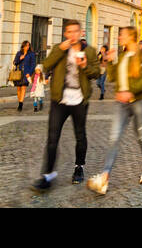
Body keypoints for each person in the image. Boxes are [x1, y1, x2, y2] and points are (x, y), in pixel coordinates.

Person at [33, 22, 101, 192]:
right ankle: (47, 175)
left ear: (80, 33)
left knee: (80, 135)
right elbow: (46, 65)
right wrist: (59, 50)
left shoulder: (90, 51)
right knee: (52, 138)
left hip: (79, 100)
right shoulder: (59, 49)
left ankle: (79, 167)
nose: (72, 35)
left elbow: (97, 73)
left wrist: (85, 66)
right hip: (60, 100)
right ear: (65, 33)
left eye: (75, 32)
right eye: (69, 32)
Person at [87, 26, 142, 195]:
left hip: (138, 101)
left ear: (131, 37)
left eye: (122, 35)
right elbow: (113, 78)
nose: (119, 37)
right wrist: (109, 61)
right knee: (114, 138)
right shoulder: (123, 56)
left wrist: (130, 92)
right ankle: (104, 178)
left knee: (141, 136)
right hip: (121, 104)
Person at [13, 41, 36, 112]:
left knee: (23, 88)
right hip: (19, 73)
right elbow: (15, 62)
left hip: (26, 73)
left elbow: (33, 64)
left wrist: (30, 73)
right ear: (23, 46)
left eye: (28, 46)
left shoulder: (31, 54)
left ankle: (20, 104)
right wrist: (20, 58)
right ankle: (20, 100)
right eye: (26, 46)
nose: (27, 47)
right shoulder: (19, 53)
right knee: (18, 89)